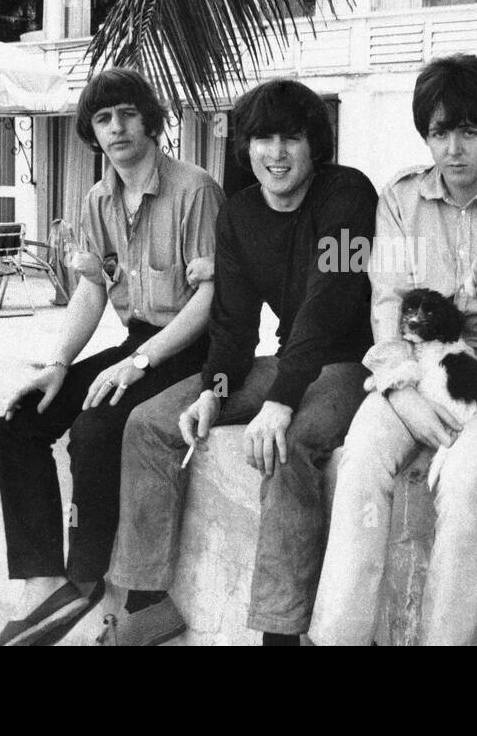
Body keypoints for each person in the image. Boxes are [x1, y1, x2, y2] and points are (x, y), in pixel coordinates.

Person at [309, 54, 477, 645]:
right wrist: (400, 389)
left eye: (469, 132)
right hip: (418, 366)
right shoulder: (401, 199)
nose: (453, 149)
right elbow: (387, 302)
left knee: (461, 477)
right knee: (359, 461)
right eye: (439, 133)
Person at [107, 78, 378, 646]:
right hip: (286, 363)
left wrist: (280, 402)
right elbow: (232, 322)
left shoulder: (348, 193)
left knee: (289, 444)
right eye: (263, 139)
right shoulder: (239, 215)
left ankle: (281, 633)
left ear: (315, 145)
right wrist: (215, 389)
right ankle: (147, 603)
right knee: (150, 422)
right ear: (245, 145)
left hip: (349, 365)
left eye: (292, 139)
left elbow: (333, 300)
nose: (276, 154)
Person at [0, 68, 224, 646]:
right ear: (91, 132)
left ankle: (84, 577)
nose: (116, 128)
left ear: (150, 120)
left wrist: (138, 363)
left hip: (193, 347)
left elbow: (211, 299)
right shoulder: (99, 198)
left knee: (96, 427)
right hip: (138, 339)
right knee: (19, 423)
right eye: (102, 118)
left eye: (126, 114)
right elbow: (92, 289)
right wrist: (60, 363)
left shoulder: (194, 190)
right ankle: (43, 578)